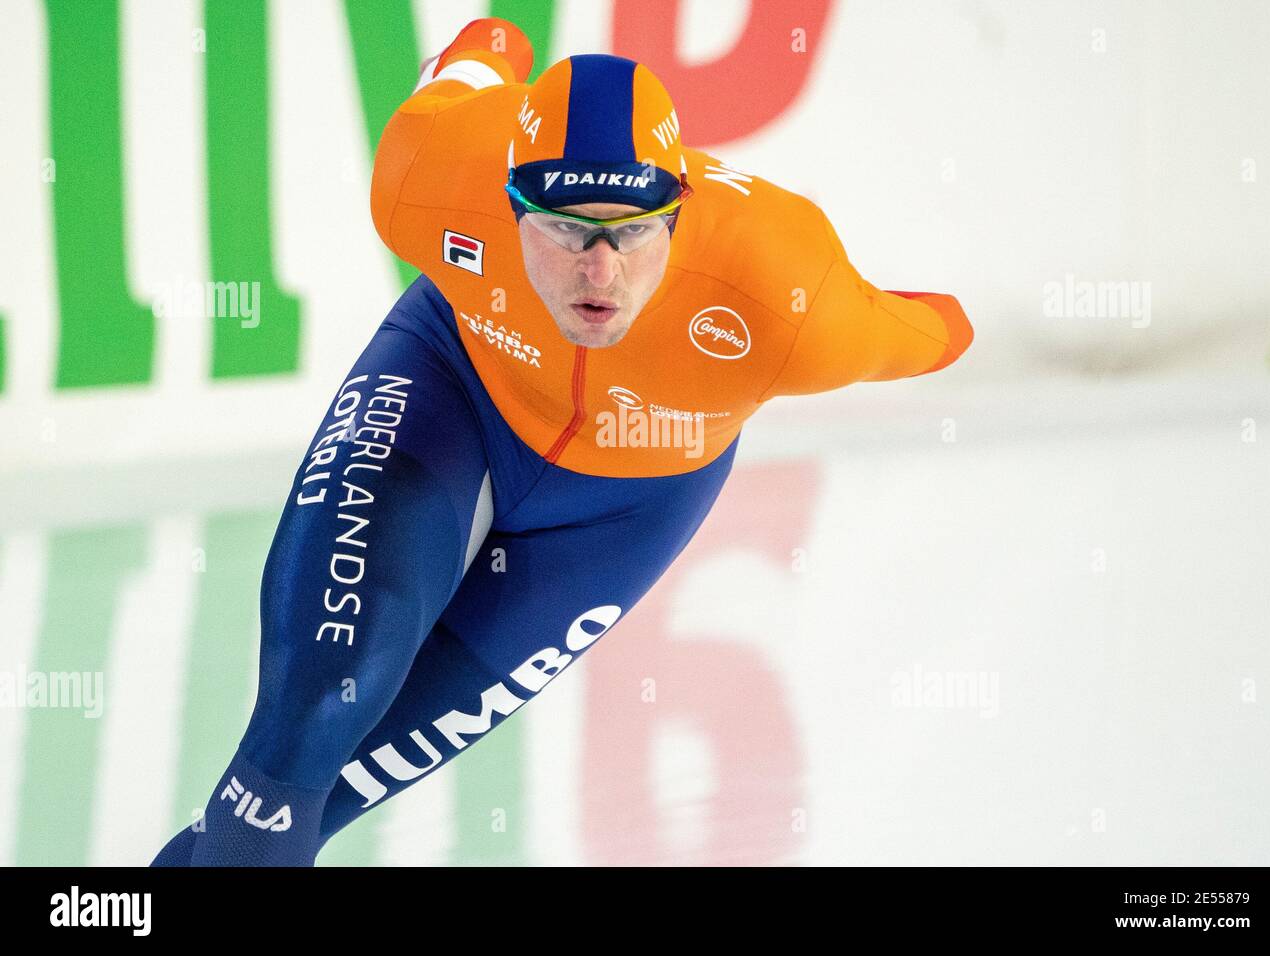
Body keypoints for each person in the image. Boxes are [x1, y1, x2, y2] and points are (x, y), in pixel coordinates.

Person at [151, 16, 972, 866]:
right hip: (450, 389)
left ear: (679, 215)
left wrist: (955, 322)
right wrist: (492, 46)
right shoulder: (427, 173)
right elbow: (476, 55)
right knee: (307, 724)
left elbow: (927, 331)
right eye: (565, 227)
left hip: (618, 513)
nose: (600, 270)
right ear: (506, 204)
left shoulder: (791, 300)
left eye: (635, 228)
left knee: (334, 788)